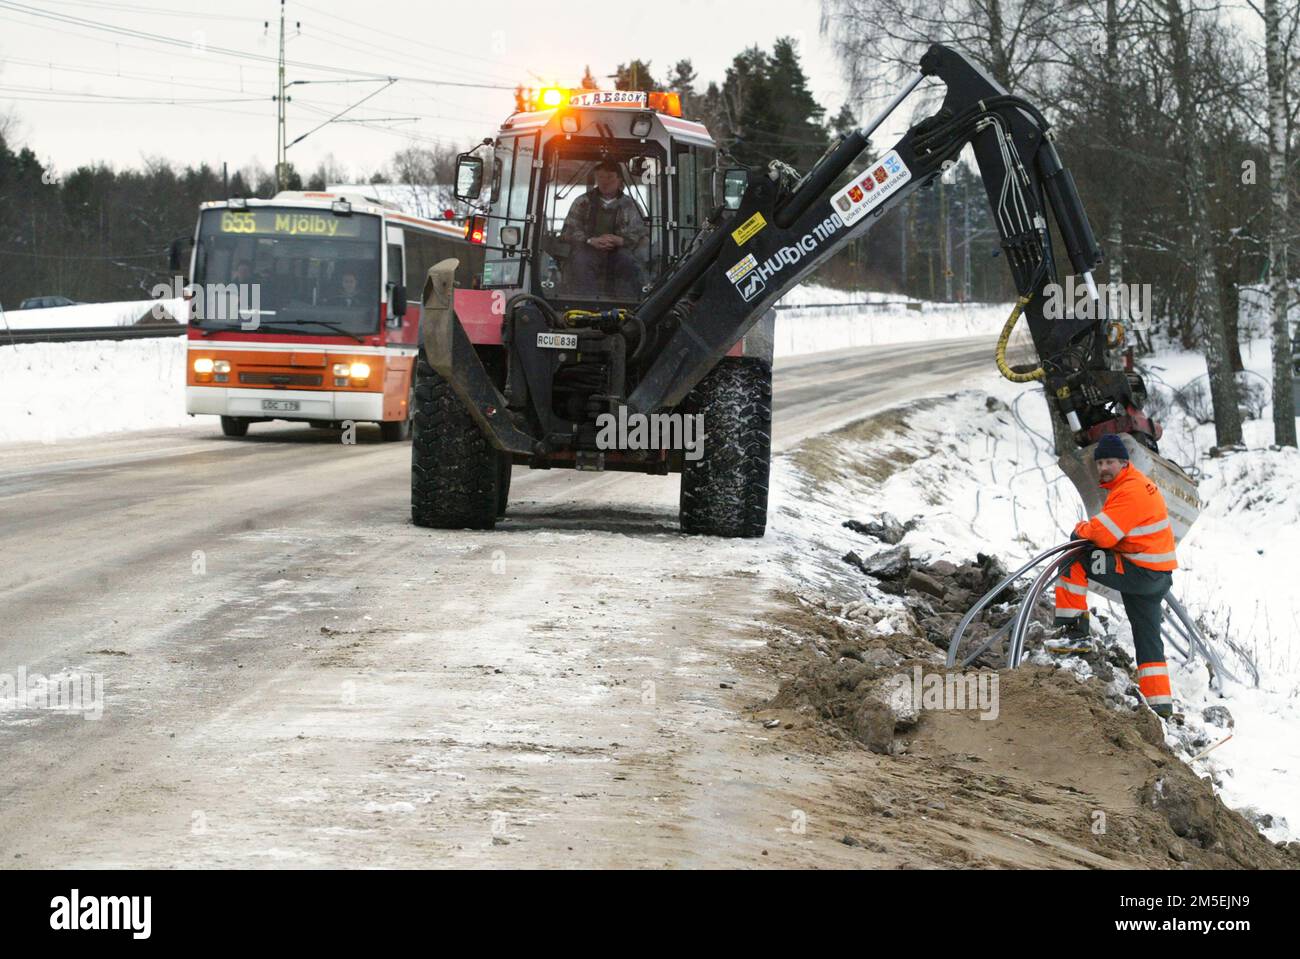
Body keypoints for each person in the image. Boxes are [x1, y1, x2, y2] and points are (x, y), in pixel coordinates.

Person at [1053, 433, 1179, 718]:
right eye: (1099, 463)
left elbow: (1103, 535)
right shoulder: (1132, 485)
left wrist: (1080, 529)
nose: (1103, 468)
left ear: (1124, 463)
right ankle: (1159, 705)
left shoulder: (1130, 490)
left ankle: (1072, 633)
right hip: (1154, 576)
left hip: (1139, 572)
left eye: (1109, 462)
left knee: (1073, 560)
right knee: (1148, 639)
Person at [559, 159, 648, 298]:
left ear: (619, 180)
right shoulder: (582, 202)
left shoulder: (631, 205)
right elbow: (569, 230)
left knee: (629, 262)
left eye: (609, 177)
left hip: (619, 251)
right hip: (588, 250)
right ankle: (586, 305)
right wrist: (590, 240)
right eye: (600, 177)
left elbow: (641, 232)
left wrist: (620, 240)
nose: (604, 181)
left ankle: (629, 305)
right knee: (580, 261)